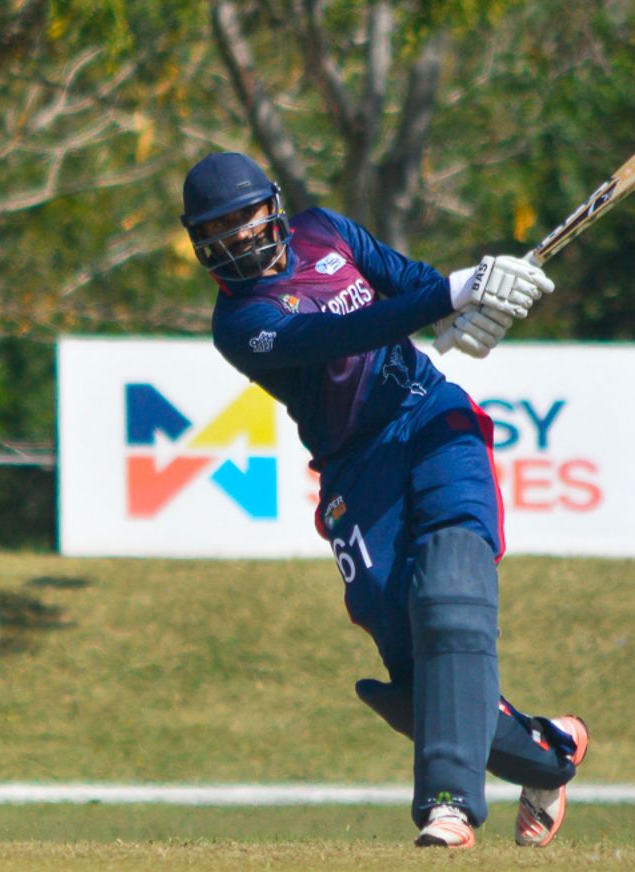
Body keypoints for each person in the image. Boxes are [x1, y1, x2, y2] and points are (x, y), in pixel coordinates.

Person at [180, 151, 588, 849]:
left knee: (451, 595)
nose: (240, 236)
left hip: (431, 417)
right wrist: (455, 293)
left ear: (271, 207)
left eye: (246, 217)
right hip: (353, 471)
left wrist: (469, 313)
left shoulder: (327, 232)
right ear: (201, 243)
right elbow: (341, 333)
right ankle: (548, 754)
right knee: (413, 677)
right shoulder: (239, 321)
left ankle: (448, 807)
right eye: (220, 229)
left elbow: (412, 286)